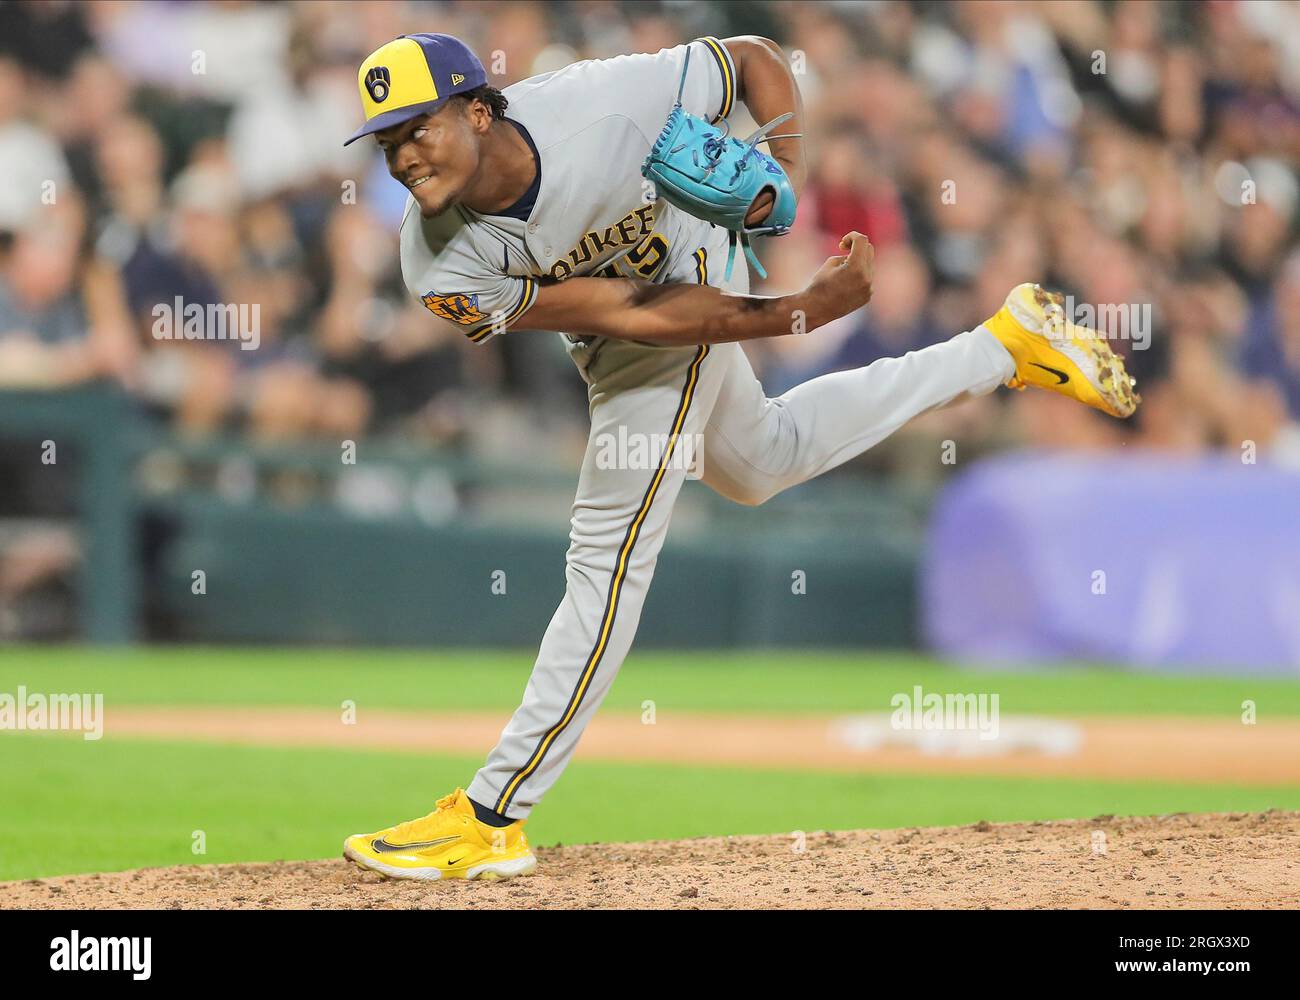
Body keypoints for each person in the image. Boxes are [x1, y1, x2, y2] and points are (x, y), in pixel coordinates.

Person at [339, 32, 1138, 882]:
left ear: (478, 108)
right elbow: (635, 313)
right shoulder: (435, 263)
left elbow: (756, 58)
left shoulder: (604, 104)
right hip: (644, 317)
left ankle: (496, 813)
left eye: (418, 128)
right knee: (762, 462)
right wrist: (797, 313)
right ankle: (1004, 347)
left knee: (605, 557)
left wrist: (789, 168)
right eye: (387, 141)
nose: (404, 157)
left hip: (692, 256)